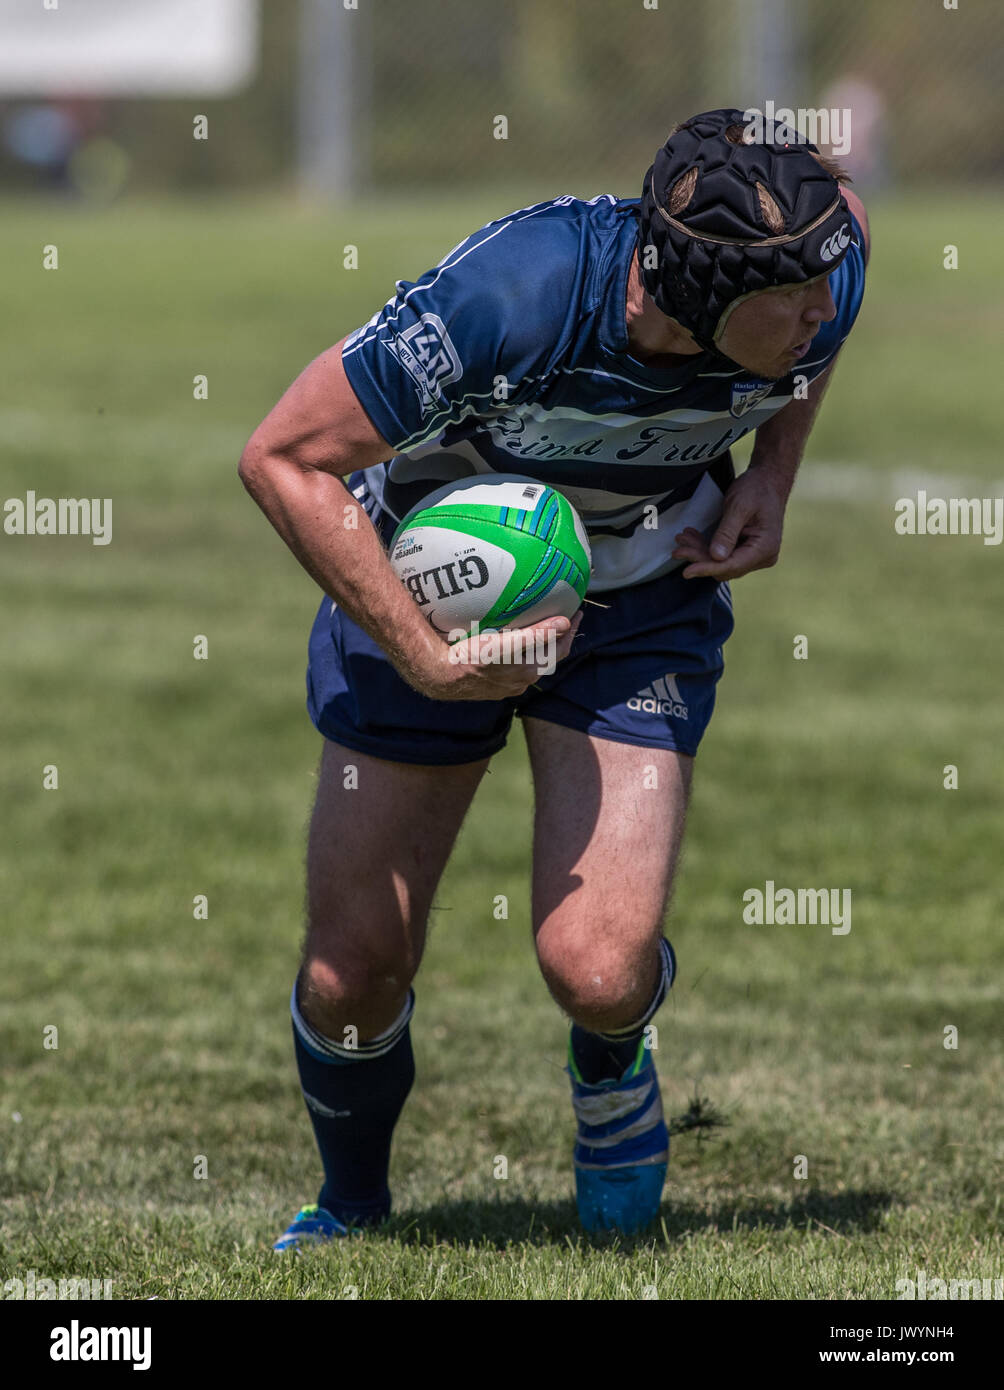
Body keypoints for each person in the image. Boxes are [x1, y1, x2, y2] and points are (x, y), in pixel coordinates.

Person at [239, 107, 870, 1246]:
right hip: (427, 593)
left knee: (598, 968)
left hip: (635, 598)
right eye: (794, 303)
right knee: (352, 973)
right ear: (701, 293)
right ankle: (353, 1203)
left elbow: (843, 237)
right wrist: (425, 655)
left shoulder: (814, 267)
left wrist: (773, 470)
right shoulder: (510, 300)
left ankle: (613, 1060)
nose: (826, 315)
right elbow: (282, 457)